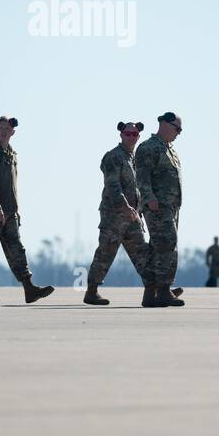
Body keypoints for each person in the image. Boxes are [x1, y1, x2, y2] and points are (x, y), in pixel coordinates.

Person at [0, 116, 54, 305]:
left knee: (17, 251)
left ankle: (29, 289)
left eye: (7, 128)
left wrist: (12, 211)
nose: (4, 131)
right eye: (1, 128)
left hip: (10, 214)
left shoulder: (11, 154)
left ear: (13, 132)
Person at [84, 121, 157, 306]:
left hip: (132, 217)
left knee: (143, 253)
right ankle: (91, 291)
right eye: (127, 133)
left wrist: (138, 210)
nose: (131, 137)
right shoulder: (113, 157)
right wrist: (126, 207)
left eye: (134, 134)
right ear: (121, 134)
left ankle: (155, 289)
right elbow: (113, 186)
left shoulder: (134, 158)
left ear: (138, 136)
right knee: (105, 253)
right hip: (114, 216)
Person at [134, 112, 185, 308]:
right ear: (164, 124)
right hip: (157, 206)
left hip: (171, 208)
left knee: (160, 247)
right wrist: (149, 198)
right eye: (177, 128)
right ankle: (163, 290)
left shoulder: (170, 150)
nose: (178, 133)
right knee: (166, 243)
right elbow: (142, 176)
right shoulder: (148, 148)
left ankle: (151, 293)